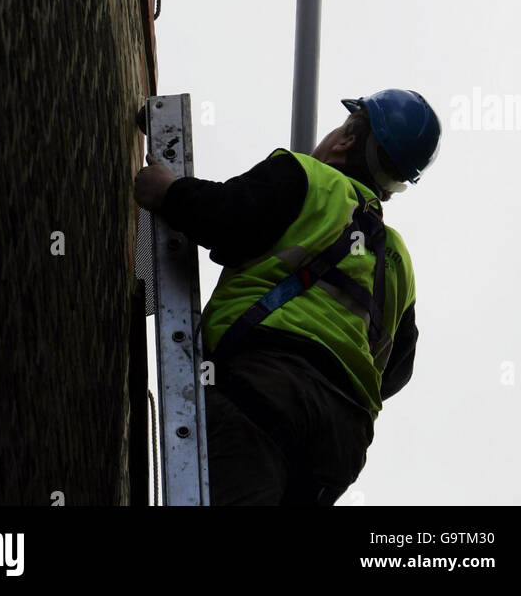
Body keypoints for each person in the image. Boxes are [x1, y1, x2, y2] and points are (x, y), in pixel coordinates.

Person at [134, 88, 441, 507]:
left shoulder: (307, 177)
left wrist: (169, 191)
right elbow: (397, 370)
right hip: (340, 441)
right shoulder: (398, 258)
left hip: (263, 392)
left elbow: (230, 217)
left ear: (347, 139)